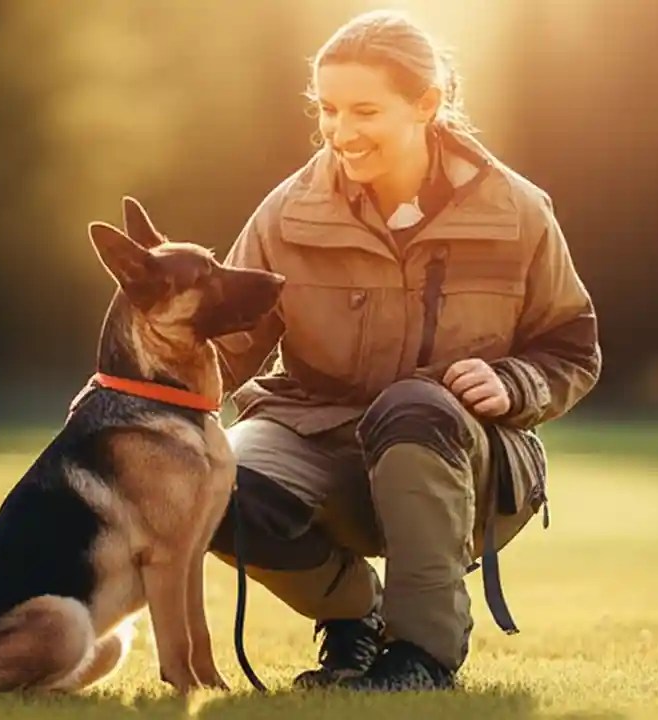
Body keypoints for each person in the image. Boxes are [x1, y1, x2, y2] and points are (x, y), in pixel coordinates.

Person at [208, 9, 600, 692]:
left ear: (427, 104)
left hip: (464, 462)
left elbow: (572, 347)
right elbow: (221, 351)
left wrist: (514, 383)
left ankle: (421, 657)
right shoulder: (286, 212)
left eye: (364, 110)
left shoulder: (518, 210)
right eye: (328, 109)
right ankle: (357, 616)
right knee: (210, 482)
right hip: (318, 442)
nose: (340, 132)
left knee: (414, 405)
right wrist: (135, 401)